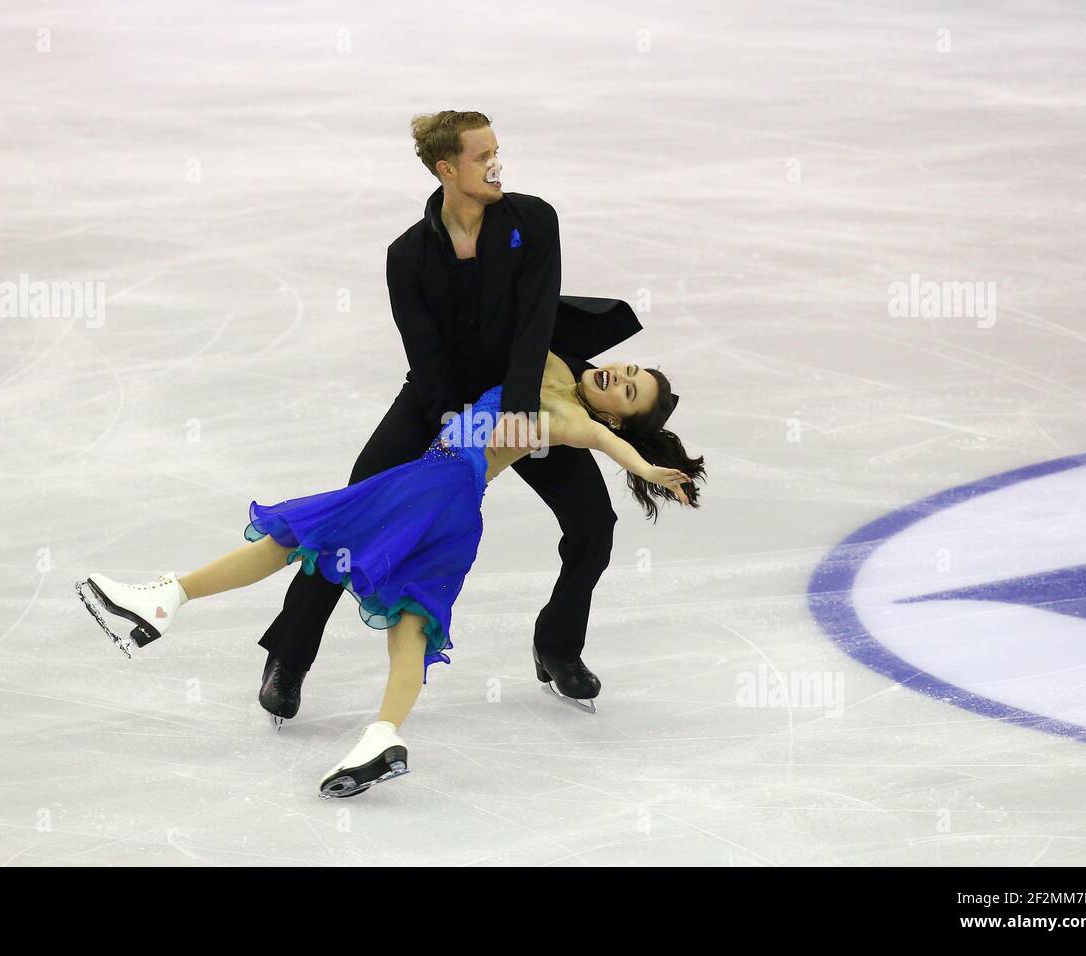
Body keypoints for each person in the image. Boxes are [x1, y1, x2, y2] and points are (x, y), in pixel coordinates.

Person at [76, 351, 704, 797]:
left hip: (431, 484)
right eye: (627, 371)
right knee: (410, 623)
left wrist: (647, 471)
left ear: (618, 416)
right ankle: (382, 736)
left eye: (628, 392)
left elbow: (604, 442)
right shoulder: (557, 370)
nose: (618, 377)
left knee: (303, 533)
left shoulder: (574, 419)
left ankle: (166, 598)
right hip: (457, 513)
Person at [255, 110, 648, 721]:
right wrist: (455, 430)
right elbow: (428, 358)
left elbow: (535, 322)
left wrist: (516, 411)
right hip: (438, 402)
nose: (495, 163)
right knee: (353, 515)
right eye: (479, 155)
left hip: (529, 394)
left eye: (497, 150)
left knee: (593, 525)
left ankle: (557, 646)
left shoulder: (533, 220)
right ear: (446, 168)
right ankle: (289, 655)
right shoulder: (407, 256)